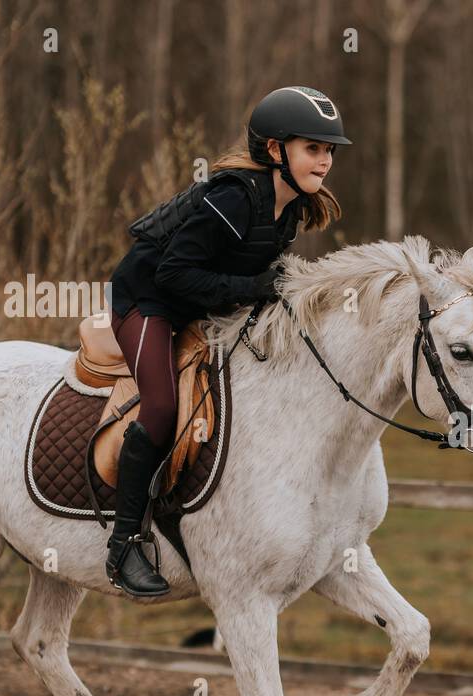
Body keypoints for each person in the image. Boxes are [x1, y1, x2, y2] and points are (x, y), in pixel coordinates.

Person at [103, 85, 351, 597]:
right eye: (313, 148)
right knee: (161, 407)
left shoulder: (292, 207)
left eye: (329, 151)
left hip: (199, 308)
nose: (325, 161)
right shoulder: (233, 198)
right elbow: (172, 275)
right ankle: (123, 543)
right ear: (276, 150)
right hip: (148, 302)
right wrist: (250, 289)